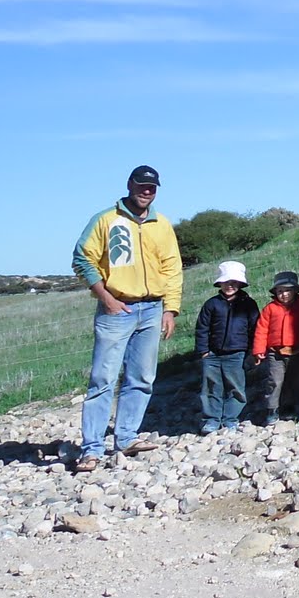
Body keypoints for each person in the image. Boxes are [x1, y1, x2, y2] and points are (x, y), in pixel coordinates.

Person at [71, 164, 183, 472]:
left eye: (152, 187)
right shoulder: (106, 220)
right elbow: (82, 258)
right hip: (116, 309)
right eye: (142, 185)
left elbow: (172, 268)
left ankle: (126, 437)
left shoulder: (162, 224)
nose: (147, 191)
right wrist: (105, 297)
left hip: (152, 309)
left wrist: (170, 308)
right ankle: (92, 448)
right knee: (103, 380)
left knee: (143, 378)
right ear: (130, 185)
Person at [249, 270, 299, 425]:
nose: (283, 294)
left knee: (294, 381)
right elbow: (261, 330)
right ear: (275, 292)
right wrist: (258, 351)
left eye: (287, 290)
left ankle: (289, 406)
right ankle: (272, 409)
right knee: (275, 381)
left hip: (297, 352)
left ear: (295, 291)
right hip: (275, 354)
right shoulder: (269, 309)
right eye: (280, 291)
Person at [194, 260, 259, 433]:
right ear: (220, 283)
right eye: (226, 282)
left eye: (234, 282)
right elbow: (202, 328)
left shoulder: (249, 304)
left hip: (237, 353)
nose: (230, 286)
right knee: (211, 387)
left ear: (240, 283)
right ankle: (212, 420)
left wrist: (253, 351)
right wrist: (203, 351)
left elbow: (256, 328)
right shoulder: (211, 304)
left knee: (236, 387)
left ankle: (231, 419)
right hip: (212, 354)